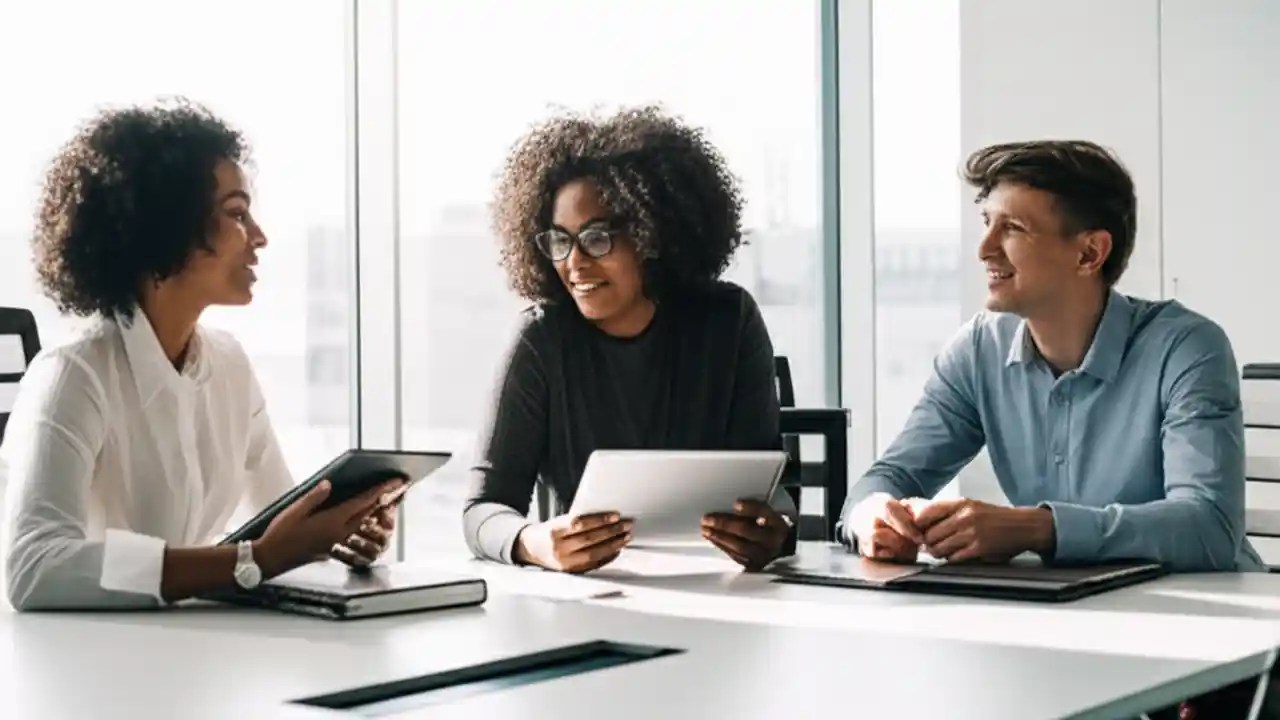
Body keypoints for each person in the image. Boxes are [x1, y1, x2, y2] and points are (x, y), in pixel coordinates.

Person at [2, 100, 401, 611]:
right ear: (166, 228)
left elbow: (278, 520)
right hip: (85, 666)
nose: (259, 236)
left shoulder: (228, 366)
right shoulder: (72, 375)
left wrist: (331, 534)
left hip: (188, 650)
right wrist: (249, 560)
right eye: (236, 214)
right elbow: (35, 566)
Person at [840, 139, 1262, 573]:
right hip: (1066, 610)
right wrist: (872, 514)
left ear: (1089, 253)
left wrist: (1038, 528)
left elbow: (1208, 528)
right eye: (987, 222)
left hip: (1207, 617)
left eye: (1013, 228)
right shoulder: (978, 349)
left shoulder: (1187, 348)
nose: (985, 248)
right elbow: (888, 478)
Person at [463, 106, 795, 574]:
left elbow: (769, 489)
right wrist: (533, 542)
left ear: (650, 235)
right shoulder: (540, 340)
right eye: (560, 241)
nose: (574, 263)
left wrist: (773, 529)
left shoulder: (729, 320)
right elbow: (483, 510)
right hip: (591, 598)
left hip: (719, 590)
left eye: (597, 238)